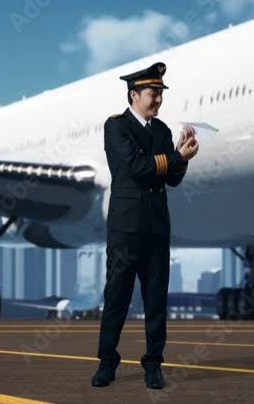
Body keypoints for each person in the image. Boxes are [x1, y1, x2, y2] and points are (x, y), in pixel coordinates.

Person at [91, 61, 200, 390]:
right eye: (153, 93)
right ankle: (107, 363)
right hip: (126, 229)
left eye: (160, 94)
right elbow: (137, 168)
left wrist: (184, 157)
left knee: (156, 301)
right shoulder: (116, 127)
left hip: (156, 228)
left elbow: (172, 180)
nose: (158, 100)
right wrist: (176, 157)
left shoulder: (162, 131)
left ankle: (153, 364)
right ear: (133, 94)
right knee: (117, 298)